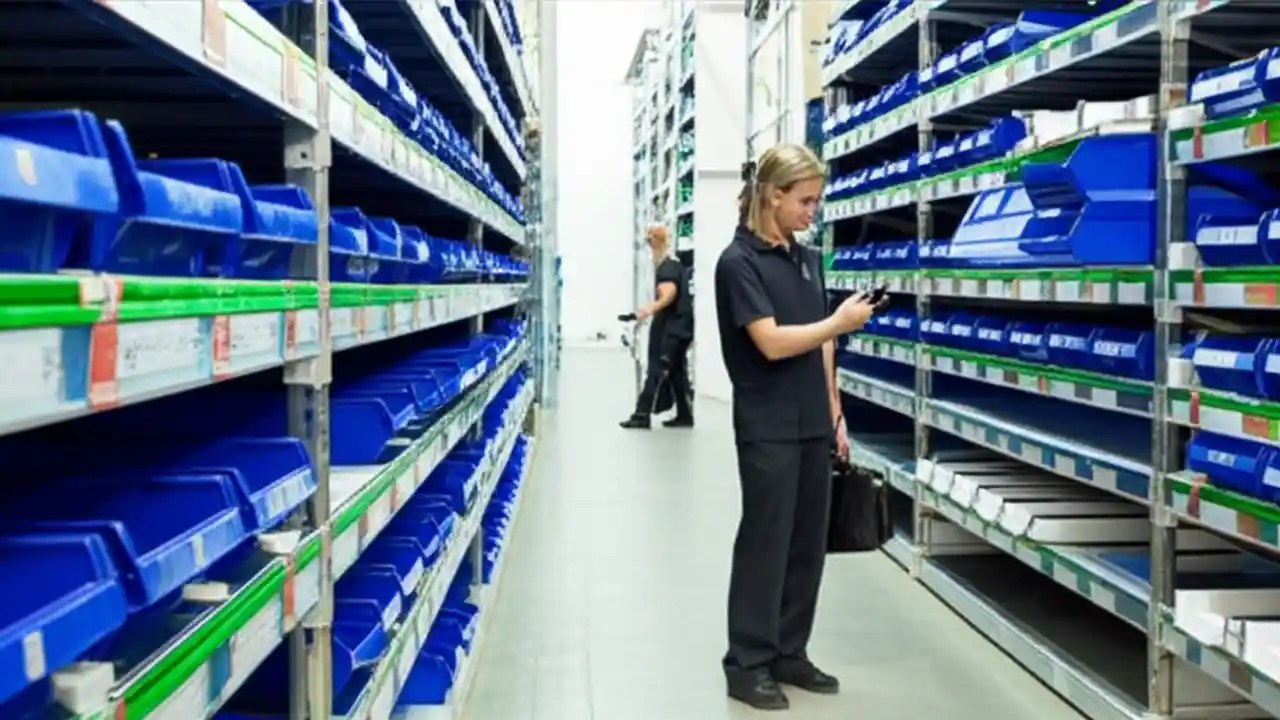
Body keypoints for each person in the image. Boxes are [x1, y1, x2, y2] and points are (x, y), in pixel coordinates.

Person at [714, 142, 879, 711]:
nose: (813, 210)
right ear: (773, 195)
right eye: (805, 200)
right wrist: (837, 319)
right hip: (768, 425)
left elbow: (822, 343)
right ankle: (748, 661)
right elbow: (771, 340)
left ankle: (789, 650)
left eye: (817, 199)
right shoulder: (738, 264)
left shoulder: (807, 259)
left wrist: (834, 408)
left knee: (807, 544)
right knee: (766, 542)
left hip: (812, 421)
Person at [619, 225, 694, 429]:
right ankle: (685, 415)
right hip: (683, 327)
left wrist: (644, 311)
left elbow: (668, 294)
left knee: (656, 369)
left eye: (649, 240)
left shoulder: (667, 267)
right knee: (677, 371)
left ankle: (641, 414)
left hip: (672, 328)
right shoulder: (674, 265)